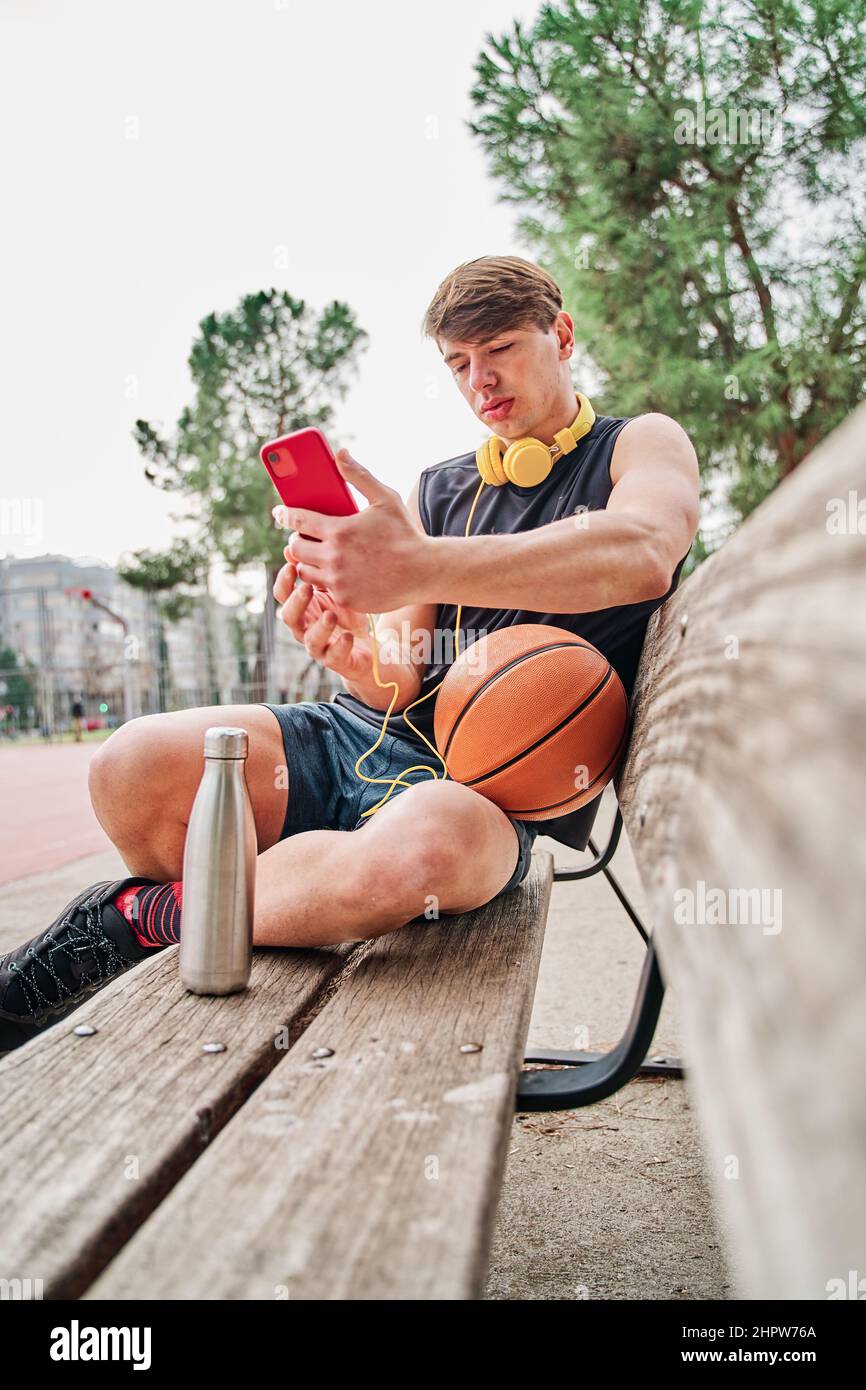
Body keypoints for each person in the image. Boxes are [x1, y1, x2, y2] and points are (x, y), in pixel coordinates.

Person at [0, 254, 700, 1055]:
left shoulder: (636, 445)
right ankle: (278, 898)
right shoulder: (441, 489)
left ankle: (145, 916)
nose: (481, 381)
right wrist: (344, 650)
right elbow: (396, 677)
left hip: (489, 793)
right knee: (132, 765)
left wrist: (423, 562)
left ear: (562, 335)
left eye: (500, 348)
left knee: (416, 851)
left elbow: (643, 549)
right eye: (458, 363)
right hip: (365, 740)